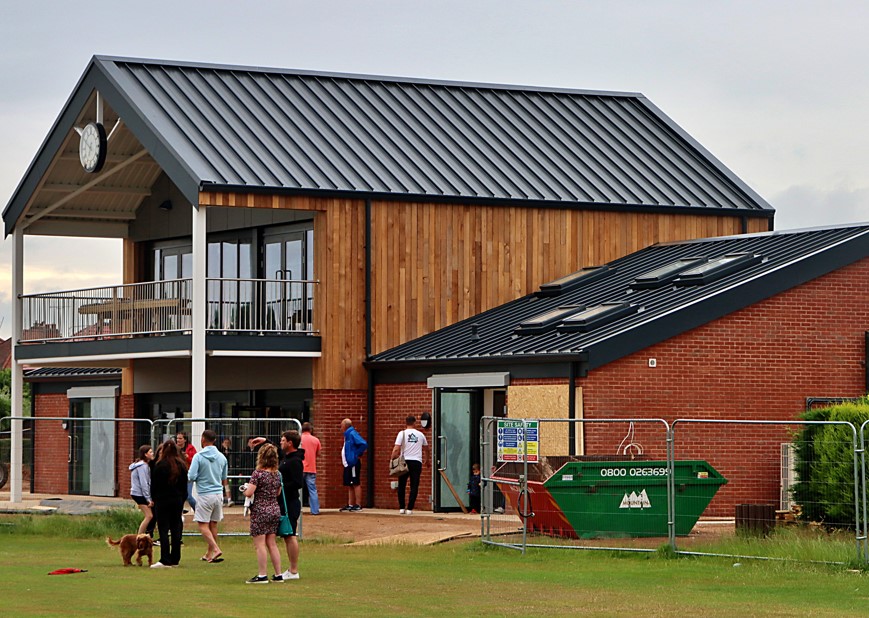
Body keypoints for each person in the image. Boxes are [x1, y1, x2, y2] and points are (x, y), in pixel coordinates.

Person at [241, 443, 283, 584]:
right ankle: (278, 574)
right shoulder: (277, 474)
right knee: (272, 543)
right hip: (274, 509)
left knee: (260, 544)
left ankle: (262, 575)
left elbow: (249, 492)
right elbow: (278, 492)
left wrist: (244, 489)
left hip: (260, 510)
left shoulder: (258, 474)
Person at [188, 429, 229, 563]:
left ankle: (215, 549)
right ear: (215, 440)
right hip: (218, 494)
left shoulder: (198, 457)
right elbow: (224, 476)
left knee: (203, 525)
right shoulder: (222, 457)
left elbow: (191, 476)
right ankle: (209, 553)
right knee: (213, 524)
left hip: (205, 494)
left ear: (203, 439)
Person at [150, 439, 188, 568]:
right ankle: (175, 559)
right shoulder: (182, 465)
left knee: (163, 530)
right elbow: (184, 487)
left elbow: (154, 486)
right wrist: (182, 499)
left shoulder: (160, 466)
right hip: (177, 500)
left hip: (162, 500)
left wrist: (154, 499)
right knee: (176, 529)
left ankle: (165, 559)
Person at [277, 430, 304, 580]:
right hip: (283, 502)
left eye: (283, 440)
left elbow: (298, 482)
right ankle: (290, 569)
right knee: (286, 535)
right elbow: (276, 450)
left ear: (290, 443)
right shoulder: (287, 458)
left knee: (290, 534)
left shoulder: (295, 461)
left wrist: (281, 487)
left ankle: (294, 570)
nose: (281, 443)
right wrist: (265, 441)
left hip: (291, 503)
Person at [391, 415, 428, 515]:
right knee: (414, 485)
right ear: (415, 423)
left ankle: (402, 507)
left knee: (402, 484)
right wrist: (427, 459)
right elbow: (426, 449)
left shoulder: (402, 434)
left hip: (404, 461)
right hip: (416, 461)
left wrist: (392, 458)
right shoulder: (420, 435)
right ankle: (410, 508)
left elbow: (396, 448)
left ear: (406, 423)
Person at [340, 418, 367, 512]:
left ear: (345, 426)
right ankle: (350, 504)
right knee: (350, 484)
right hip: (348, 463)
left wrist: (356, 454)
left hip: (353, 462)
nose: (341, 428)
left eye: (341, 426)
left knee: (355, 483)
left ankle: (358, 504)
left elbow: (363, 444)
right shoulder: (347, 435)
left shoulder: (352, 434)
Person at [129, 445, 155, 535]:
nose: (152, 454)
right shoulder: (143, 466)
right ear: (145, 454)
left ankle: (141, 536)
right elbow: (144, 483)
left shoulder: (142, 465)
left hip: (137, 493)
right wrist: (148, 499)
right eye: (150, 452)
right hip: (139, 493)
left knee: (149, 516)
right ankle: (139, 537)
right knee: (149, 516)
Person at [300, 422, 321, 515]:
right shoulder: (316, 440)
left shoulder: (298, 439)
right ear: (311, 430)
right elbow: (318, 453)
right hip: (311, 467)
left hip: (300, 467)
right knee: (312, 489)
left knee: (297, 489)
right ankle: (315, 510)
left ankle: (297, 509)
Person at [175, 432, 197, 512]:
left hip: (188, 474)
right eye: (177, 438)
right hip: (177, 475)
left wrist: (187, 457)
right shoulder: (174, 448)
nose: (178, 440)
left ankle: (198, 511)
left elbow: (195, 461)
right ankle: (179, 511)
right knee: (178, 495)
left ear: (185, 440)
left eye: (180, 438)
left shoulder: (191, 448)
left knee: (188, 496)